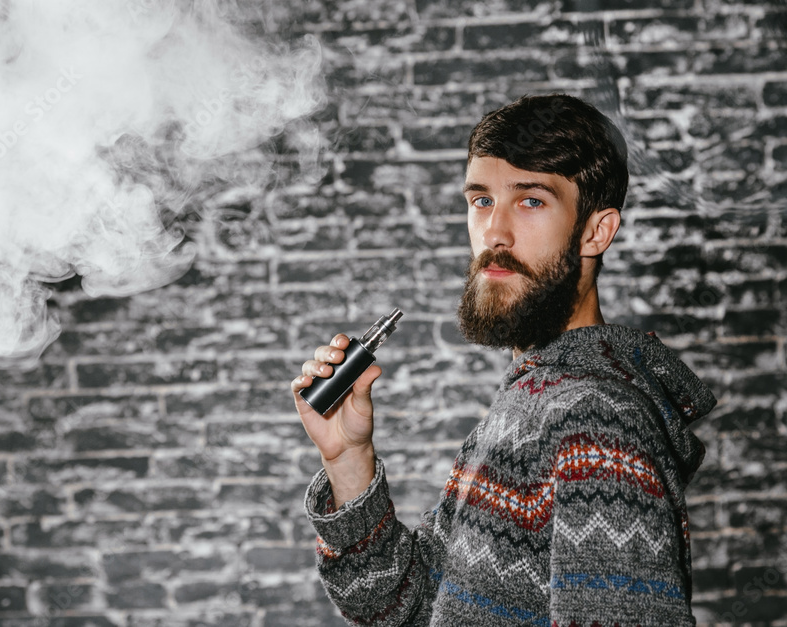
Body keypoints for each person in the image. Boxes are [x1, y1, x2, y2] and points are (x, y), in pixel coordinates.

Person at [290, 94, 716, 626]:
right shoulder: (533, 398)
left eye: (531, 201)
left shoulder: (597, 420)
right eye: (481, 200)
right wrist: (348, 460)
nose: (494, 232)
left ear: (595, 230)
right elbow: (406, 608)